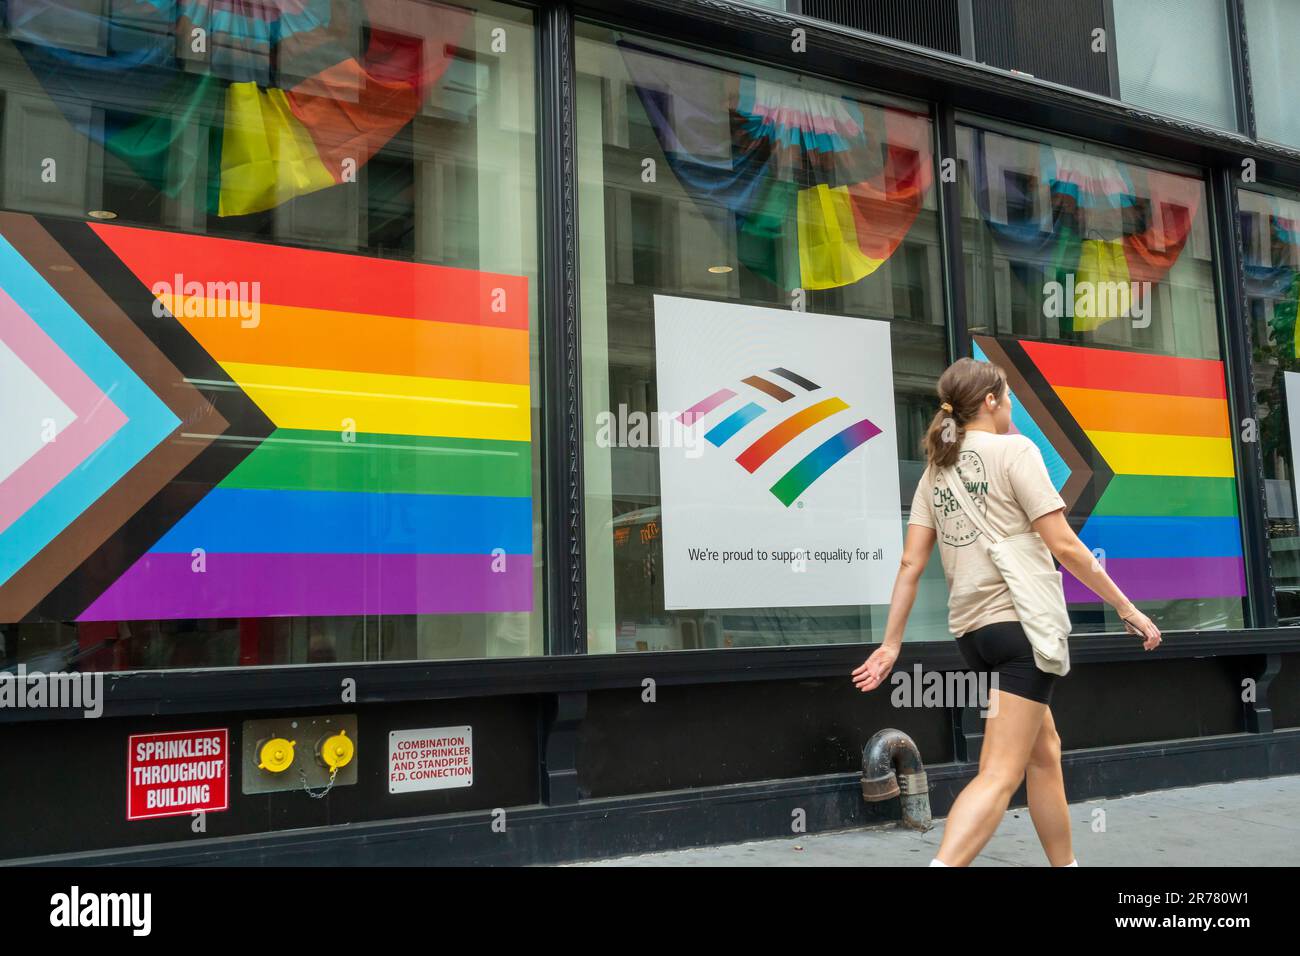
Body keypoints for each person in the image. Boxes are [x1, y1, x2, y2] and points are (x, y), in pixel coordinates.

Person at [850, 356, 1162, 867]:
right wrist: (1127, 608)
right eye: (1010, 396)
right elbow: (1065, 545)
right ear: (991, 401)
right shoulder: (1016, 451)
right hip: (1021, 632)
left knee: (1045, 752)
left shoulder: (937, 470)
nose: (1013, 405)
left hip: (976, 637)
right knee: (998, 774)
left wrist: (891, 644)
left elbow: (910, 563)